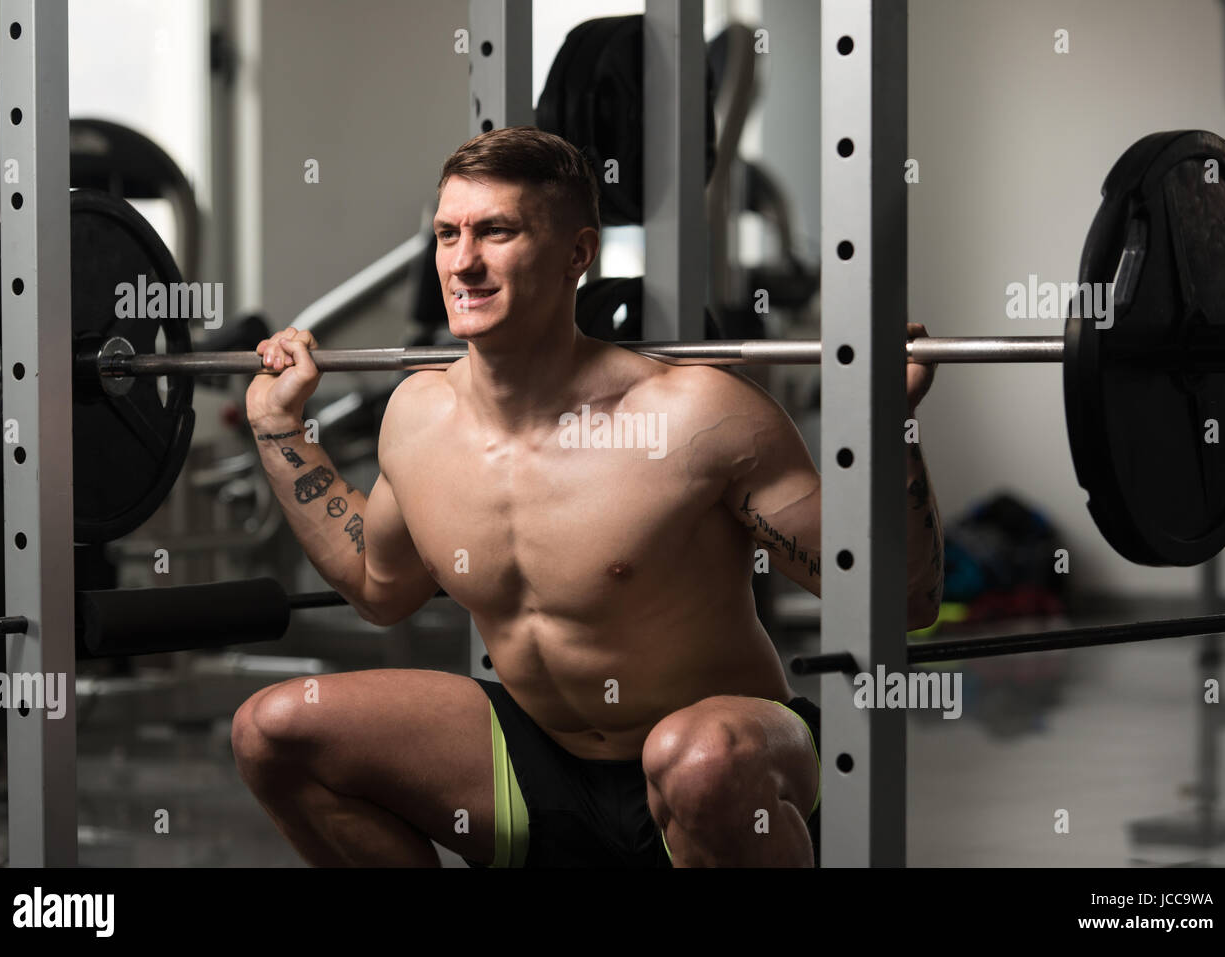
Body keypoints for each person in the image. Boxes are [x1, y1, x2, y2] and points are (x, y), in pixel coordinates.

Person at [231, 126, 942, 867]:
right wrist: (279, 427)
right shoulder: (418, 418)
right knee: (274, 730)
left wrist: (894, 426)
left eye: (496, 231)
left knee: (695, 760)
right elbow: (381, 588)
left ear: (578, 254)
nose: (463, 261)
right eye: (448, 233)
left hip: (721, 770)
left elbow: (904, 603)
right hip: (539, 763)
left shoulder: (693, 415)